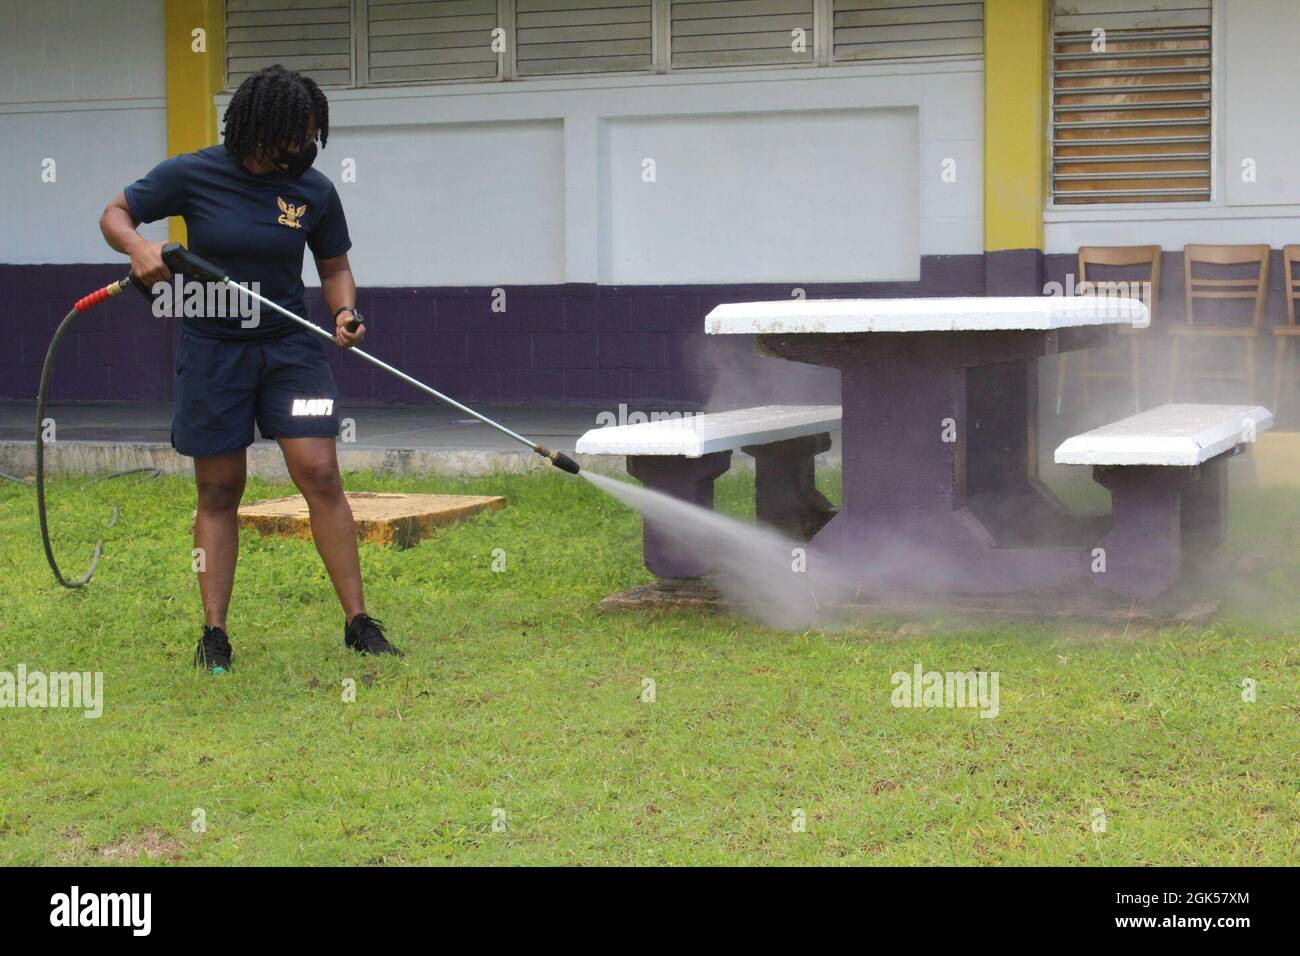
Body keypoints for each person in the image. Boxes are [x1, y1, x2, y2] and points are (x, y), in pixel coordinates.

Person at [99, 64, 401, 673]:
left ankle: (358, 622)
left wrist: (345, 311)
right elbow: (115, 214)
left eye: (316, 133)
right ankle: (215, 634)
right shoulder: (192, 173)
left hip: (293, 351)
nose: (311, 146)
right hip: (212, 352)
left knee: (320, 473)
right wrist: (141, 248)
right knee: (218, 488)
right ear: (266, 132)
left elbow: (335, 265)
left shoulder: (313, 191)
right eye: (302, 134)